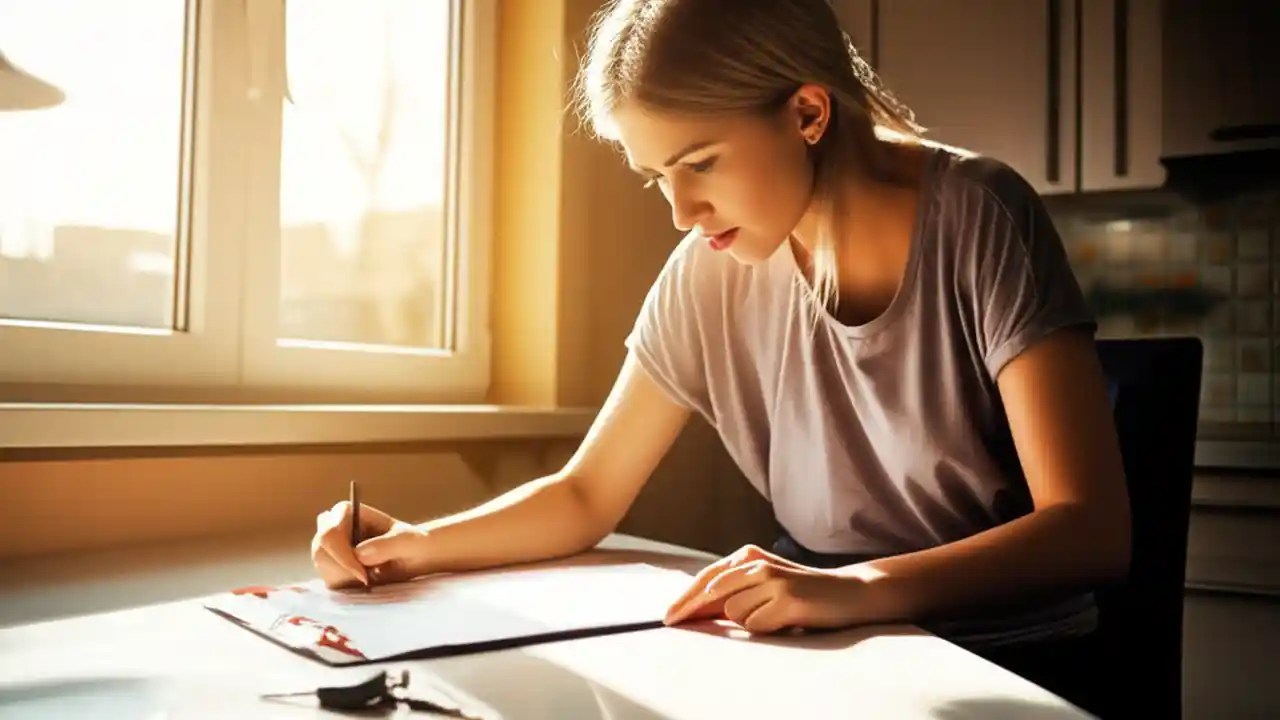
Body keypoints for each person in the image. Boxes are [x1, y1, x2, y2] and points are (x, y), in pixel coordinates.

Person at [311, 0, 1130, 715]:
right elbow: (587, 493)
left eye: (700, 163)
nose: (680, 211)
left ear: (808, 113)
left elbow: (1089, 530)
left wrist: (859, 586)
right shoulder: (710, 269)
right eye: (655, 177)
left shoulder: (982, 216)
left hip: (1002, 660)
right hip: (824, 646)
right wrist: (413, 544)